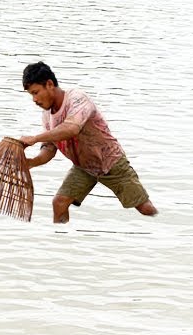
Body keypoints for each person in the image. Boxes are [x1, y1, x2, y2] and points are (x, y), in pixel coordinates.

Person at [19, 61, 158, 224]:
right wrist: (31, 163)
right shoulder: (47, 116)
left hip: (110, 161)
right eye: (31, 95)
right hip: (84, 167)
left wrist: (35, 138)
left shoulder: (76, 99)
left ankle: (164, 228)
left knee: (145, 208)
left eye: (36, 92)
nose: (34, 99)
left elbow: (71, 128)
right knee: (59, 203)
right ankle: (61, 241)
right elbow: (50, 148)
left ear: (49, 84)